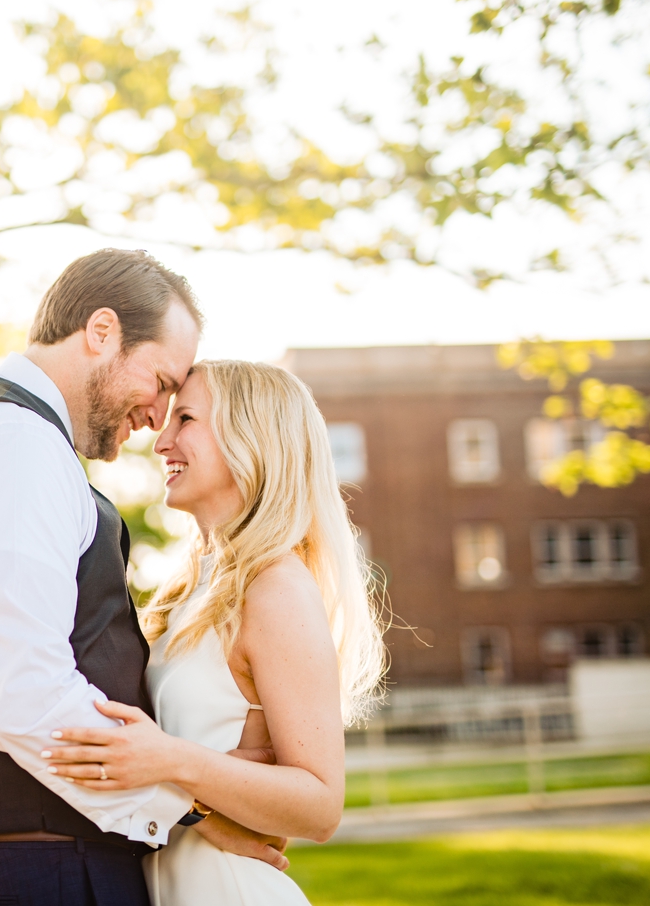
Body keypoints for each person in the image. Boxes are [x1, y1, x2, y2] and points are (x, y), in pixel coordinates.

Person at [0, 250, 285, 906]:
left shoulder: (11, 436)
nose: (159, 417)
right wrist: (193, 809)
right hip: (31, 879)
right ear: (101, 332)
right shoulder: (11, 440)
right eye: (161, 381)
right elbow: (24, 689)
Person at [42, 359, 388, 905]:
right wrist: (194, 798)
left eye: (186, 419)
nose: (162, 442)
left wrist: (172, 759)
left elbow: (320, 805)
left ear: (251, 438)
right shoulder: (191, 587)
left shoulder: (274, 586)